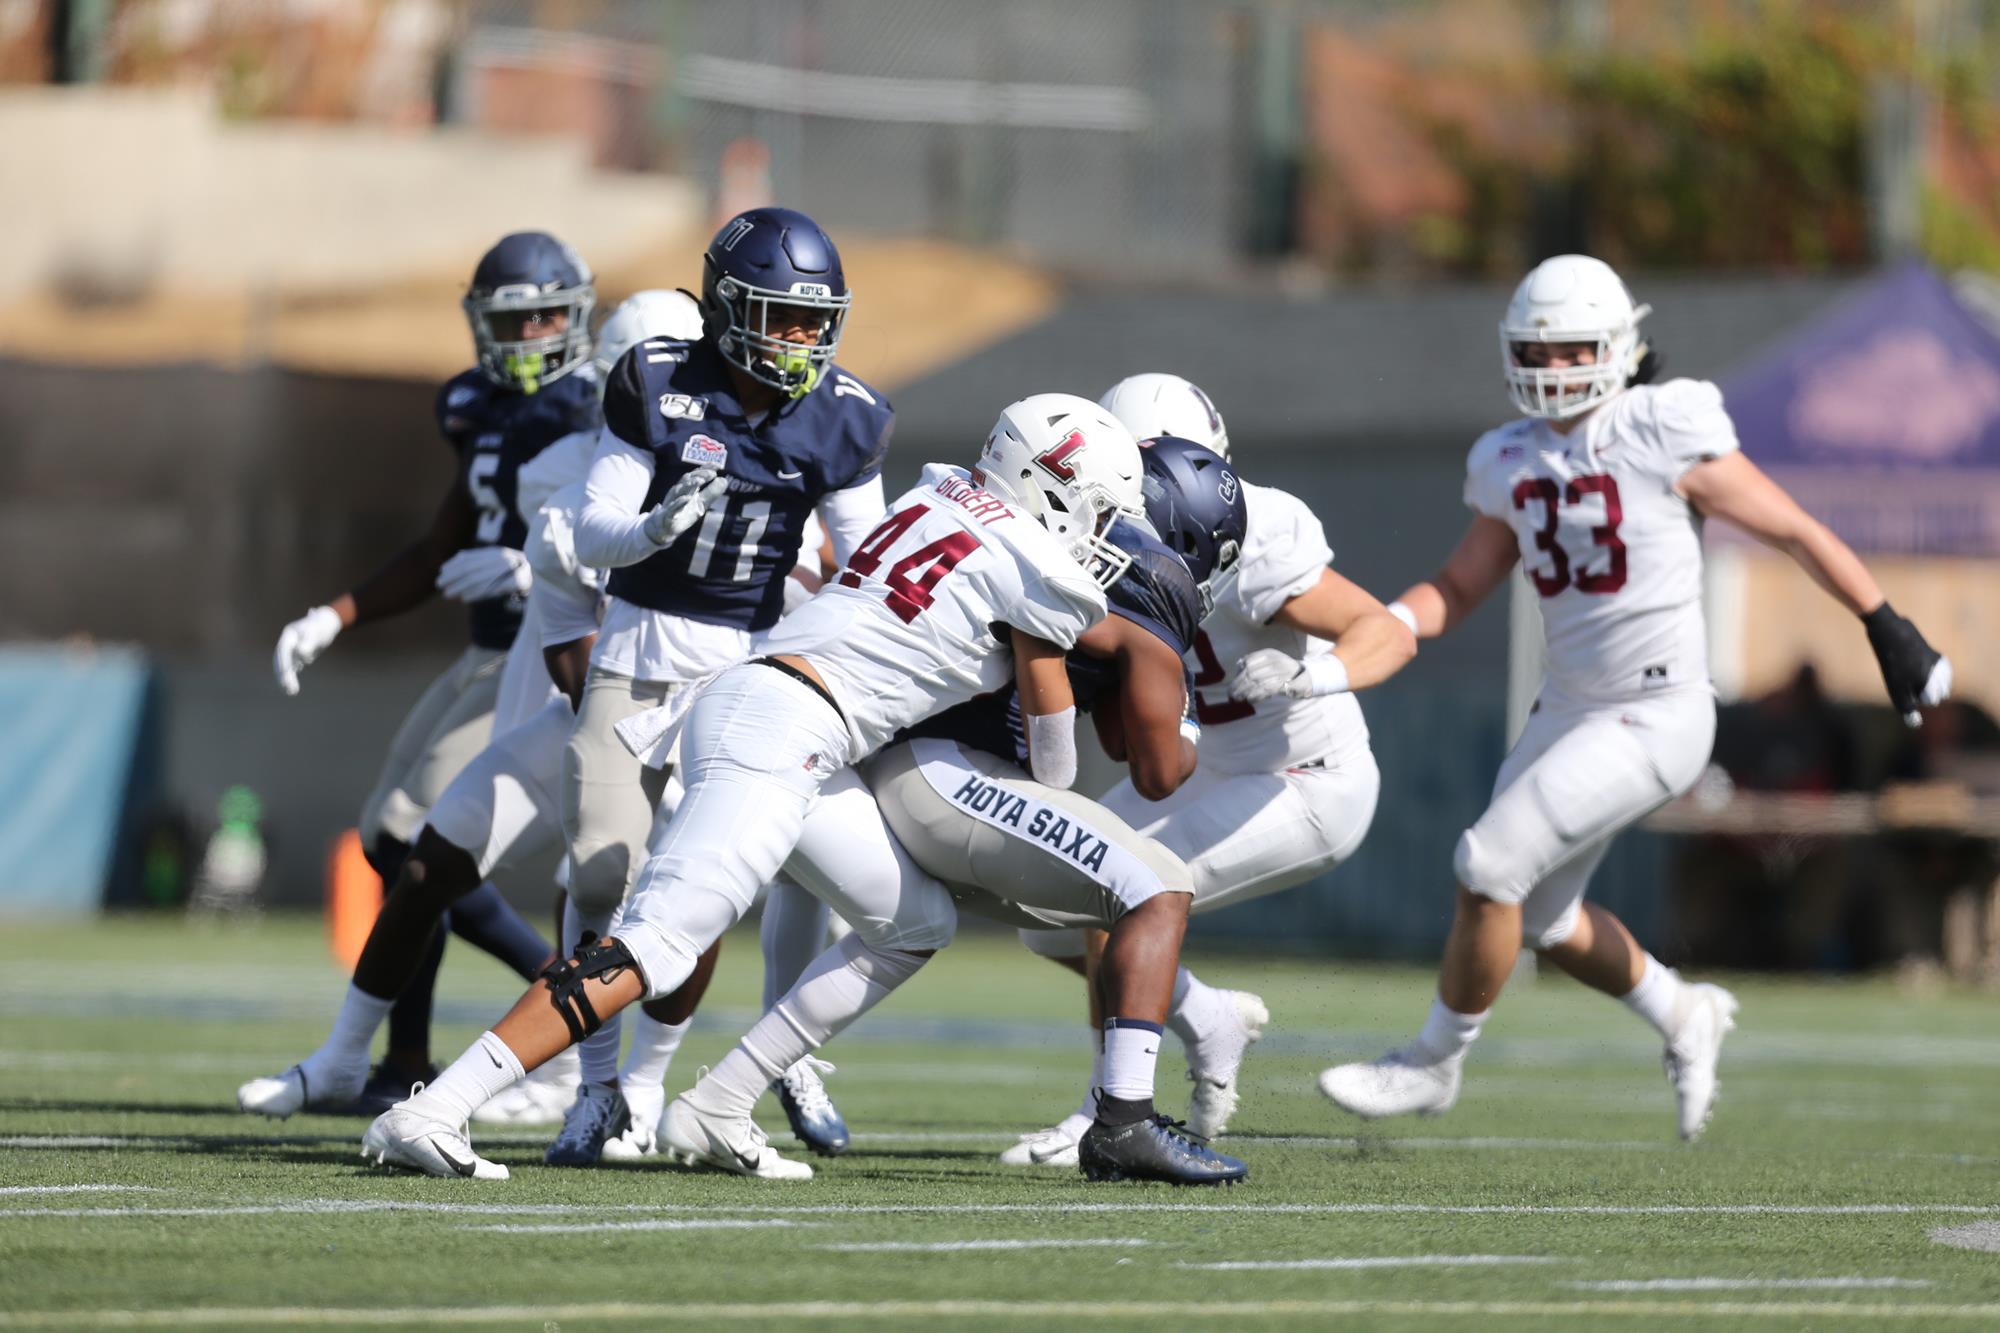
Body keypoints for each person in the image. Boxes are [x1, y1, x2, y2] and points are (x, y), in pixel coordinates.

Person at [357, 393, 1181, 1184]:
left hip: (778, 709)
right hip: (787, 726)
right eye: (1100, 510)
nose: (1102, 531)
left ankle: (717, 1105)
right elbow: (1054, 767)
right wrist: (1090, 666)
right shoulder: (1035, 564)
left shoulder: (939, 495)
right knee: (659, 941)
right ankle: (437, 1107)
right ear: (1052, 485)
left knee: (912, 922)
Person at [1320, 254, 1953, 1140]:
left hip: (1657, 710)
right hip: (1569, 708)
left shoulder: (1659, 426)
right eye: (1538, 350)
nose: (1553, 368)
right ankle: (1682, 1010)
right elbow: (1458, 586)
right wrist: (1388, 621)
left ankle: (1433, 1060)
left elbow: (1794, 529)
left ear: (1619, 347)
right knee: (1541, 914)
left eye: (1574, 350)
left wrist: (1886, 623)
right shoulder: (1508, 456)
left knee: (1487, 865)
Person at [237, 290, 699, 1125]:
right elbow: (570, 652)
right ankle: (351, 1058)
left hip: (707, 720)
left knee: (699, 904)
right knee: (427, 862)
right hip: (591, 707)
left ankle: (653, 1090)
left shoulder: (755, 475)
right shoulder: (563, 477)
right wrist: (540, 566)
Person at [534, 206, 893, 1165]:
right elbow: (599, 523)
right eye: (784, 318)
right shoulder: (658, 380)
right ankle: (594, 1087)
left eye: (817, 321)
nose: (803, 340)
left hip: (753, 671)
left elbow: (869, 569)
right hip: (640, 651)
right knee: (600, 873)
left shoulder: (845, 416)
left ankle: (682, 1076)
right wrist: (650, 531)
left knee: (747, 879)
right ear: (728, 309)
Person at [998, 377, 1415, 1168]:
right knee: (1042, 907)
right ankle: (1207, 1016)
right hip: (1204, 764)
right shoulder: (1098, 528)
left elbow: (1386, 631)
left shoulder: (1255, 536)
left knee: (1116, 891)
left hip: (1304, 776)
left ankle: (1104, 1110)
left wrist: (1314, 676)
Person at [853, 433, 1252, 1183]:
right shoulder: (1156, 572)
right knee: (1157, 887)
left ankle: (716, 1094)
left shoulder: (1021, 523)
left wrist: (1134, 666)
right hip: (947, 767)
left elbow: (1113, 730)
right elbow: (1157, 771)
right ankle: (1124, 1119)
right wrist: (1174, 686)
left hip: (874, 741)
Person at [262, 231, 599, 1107]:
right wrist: (336, 613)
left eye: (543, 319)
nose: (526, 338)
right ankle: (407, 1057)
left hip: (546, 651)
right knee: (388, 839)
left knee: (417, 842)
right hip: (485, 649)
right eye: (510, 322)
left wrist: (535, 567)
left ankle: (558, 998)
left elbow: (626, 538)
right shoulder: (473, 404)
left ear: (576, 316)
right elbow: (441, 543)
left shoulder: (597, 408)